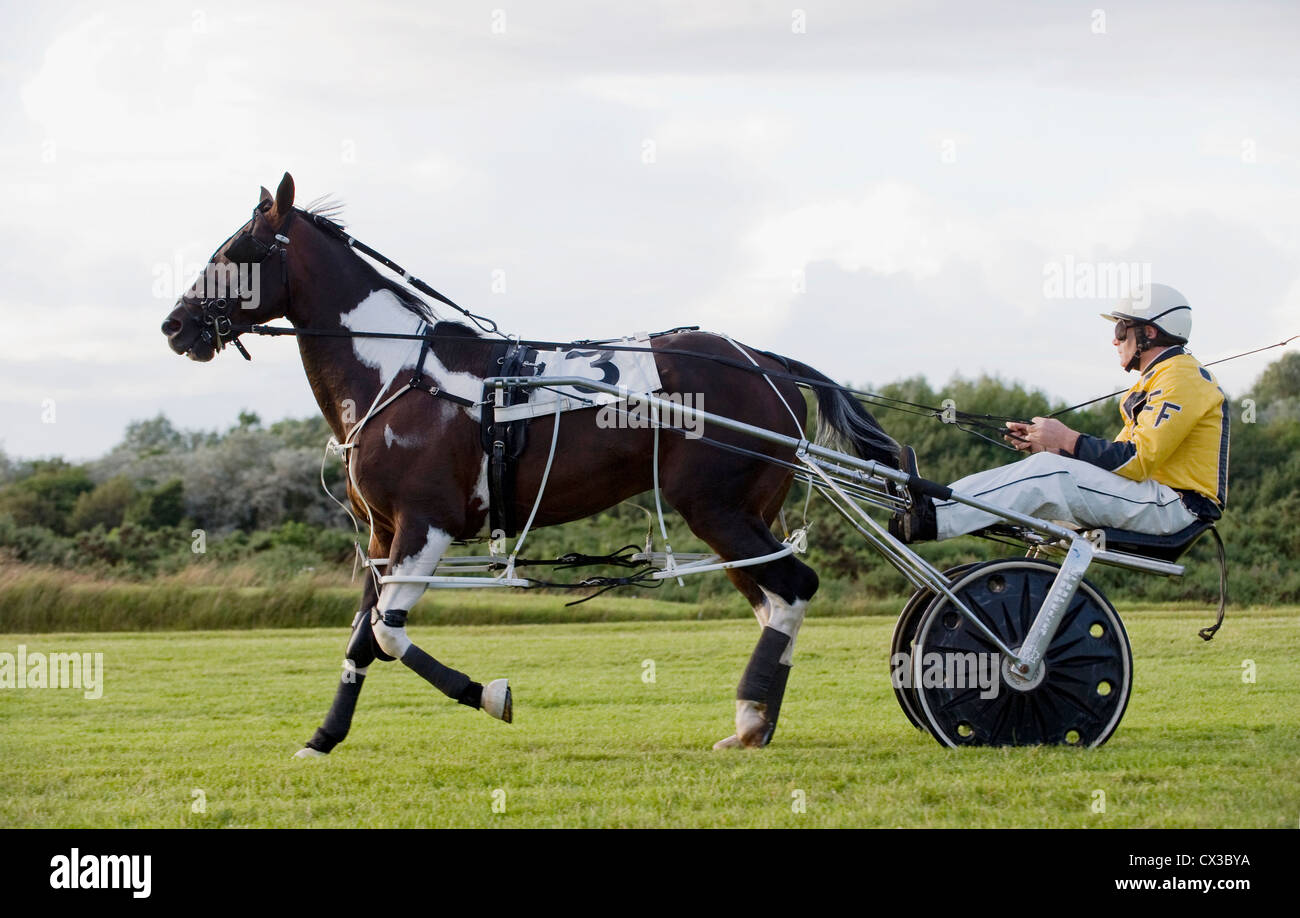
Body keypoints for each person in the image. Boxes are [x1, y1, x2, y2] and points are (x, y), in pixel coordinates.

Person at [891, 284, 1230, 543]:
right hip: (1154, 497)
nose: (1115, 341)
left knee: (1050, 474)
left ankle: (933, 513)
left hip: (1177, 506)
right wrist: (1049, 445)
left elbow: (1137, 460)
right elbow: (1119, 466)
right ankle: (934, 502)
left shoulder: (1180, 378)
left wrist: (1065, 439)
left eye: (1120, 330)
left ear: (1149, 332)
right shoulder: (1161, 377)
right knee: (1047, 468)